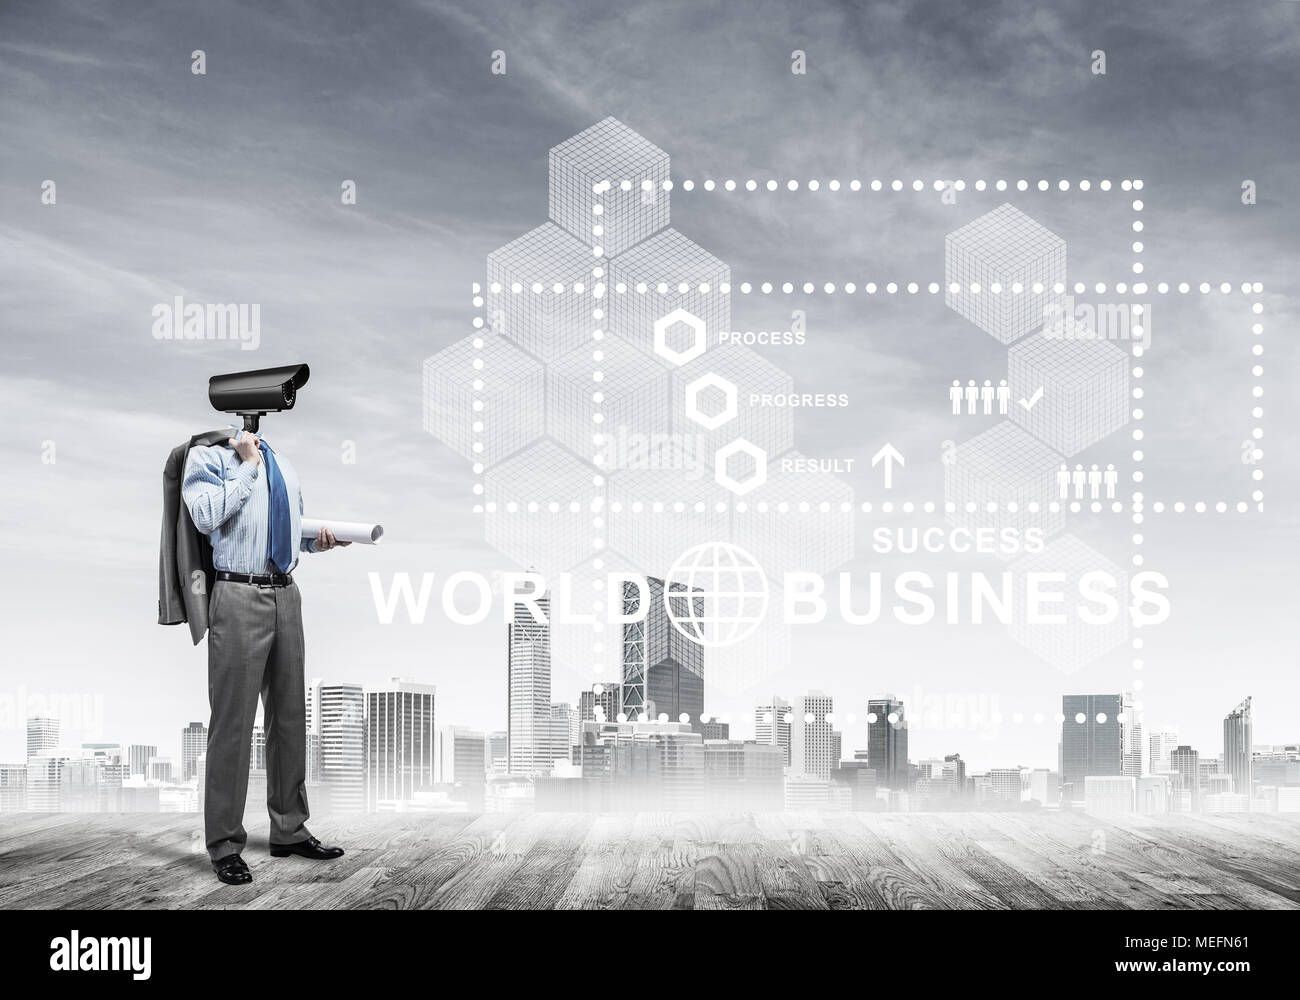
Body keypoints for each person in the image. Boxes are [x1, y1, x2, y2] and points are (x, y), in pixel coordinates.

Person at [182, 427, 350, 886]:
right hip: (237, 593)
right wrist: (248, 465)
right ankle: (224, 845)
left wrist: (317, 541)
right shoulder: (208, 457)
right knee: (233, 725)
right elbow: (205, 515)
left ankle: (289, 830)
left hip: (286, 595)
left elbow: (286, 531)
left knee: (291, 720)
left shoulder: (285, 463)